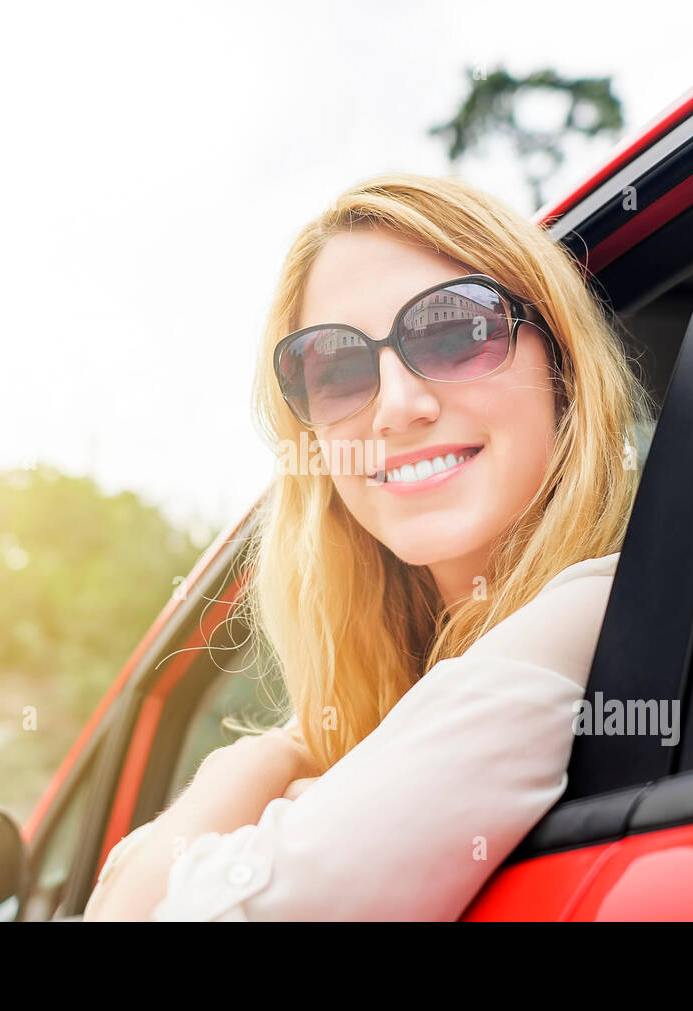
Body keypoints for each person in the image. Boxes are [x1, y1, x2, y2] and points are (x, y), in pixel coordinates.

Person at [84, 172, 651, 921]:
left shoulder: (599, 605)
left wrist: (255, 763)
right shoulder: (408, 690)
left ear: (561, 365)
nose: (397, 407)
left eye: (456, 333)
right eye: (338, 368)